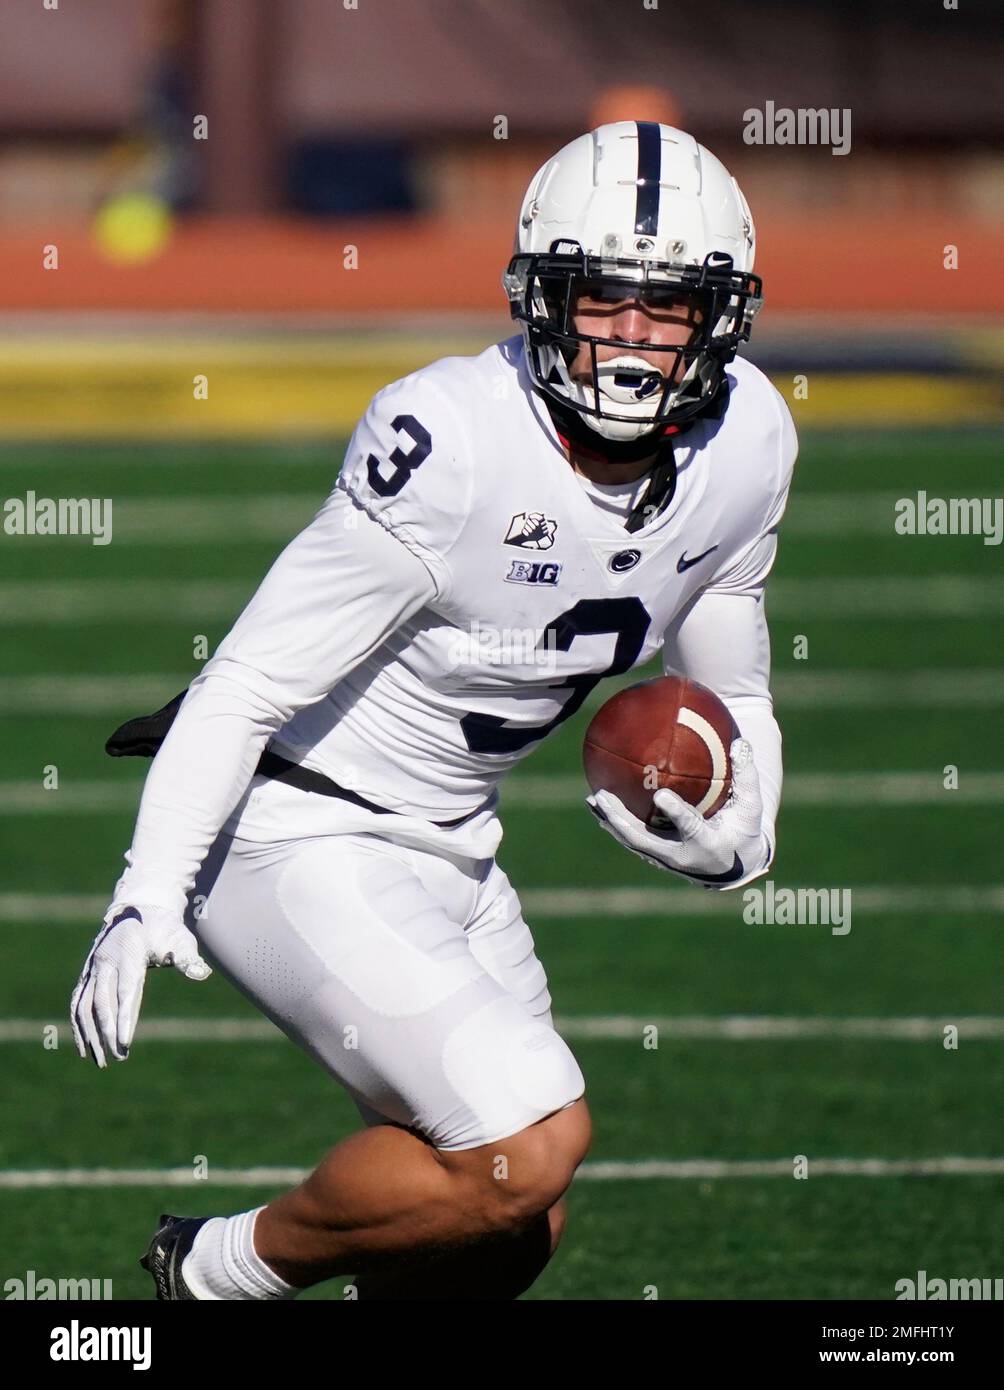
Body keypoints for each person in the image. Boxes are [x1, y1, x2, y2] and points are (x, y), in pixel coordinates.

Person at [70, 121, 797, 1300]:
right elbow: (247, 679)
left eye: (662, 307)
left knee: (509, 1227)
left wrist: (744, 812)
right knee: (527, 1141)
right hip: (293, 826)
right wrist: (147, 884)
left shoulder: (747, 438)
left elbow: (732, 652)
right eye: (596, 297)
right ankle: (209, 1273)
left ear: (716, 319)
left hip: (453, 840)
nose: (626, 337)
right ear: (536, 296)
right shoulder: (454, 439)